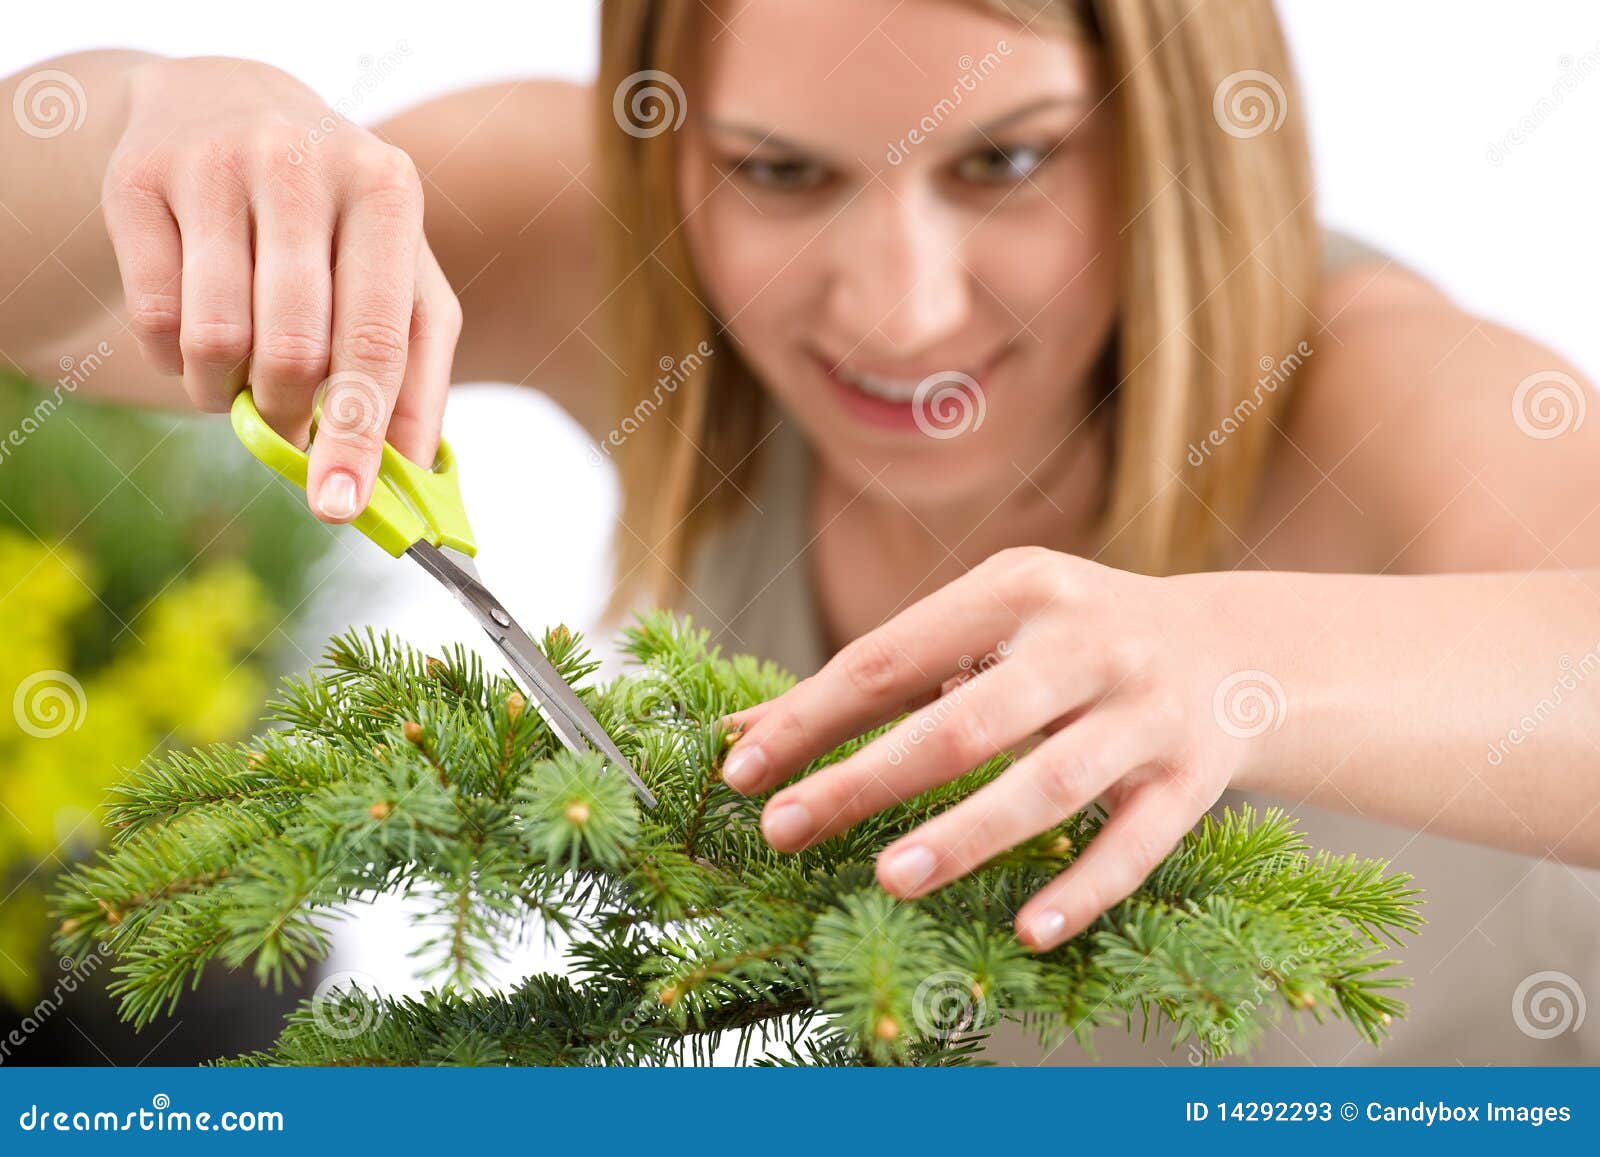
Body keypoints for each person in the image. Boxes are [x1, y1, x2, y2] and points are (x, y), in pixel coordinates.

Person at [3, 0, 1597, 1065]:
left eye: (1009, 158)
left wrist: (1238, 654)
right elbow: (44, 302)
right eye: (779, 172)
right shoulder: (618, 250)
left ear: (1176, 127)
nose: (899, 309)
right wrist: (173, 119)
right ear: (670, 145)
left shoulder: (1378, 387)